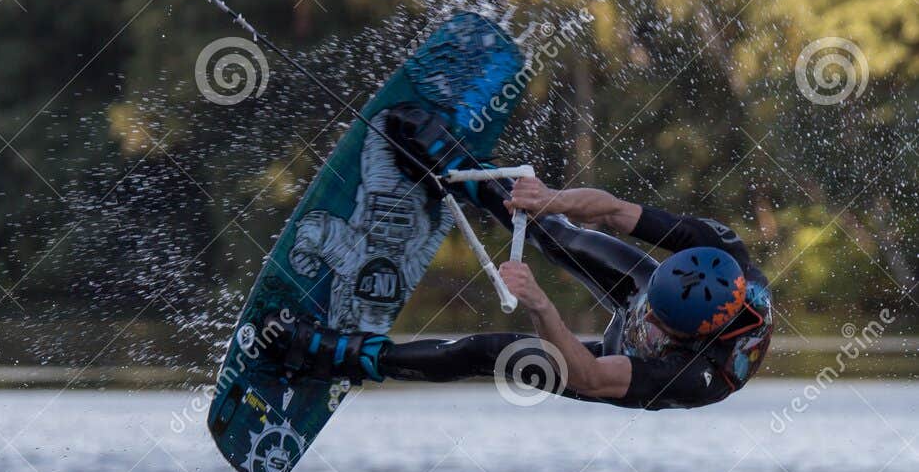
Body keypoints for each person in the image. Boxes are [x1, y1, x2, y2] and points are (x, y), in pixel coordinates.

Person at [265, 174, 773, 410]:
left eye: (656, 323)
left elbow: (590, 376)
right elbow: (616, 211)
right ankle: (461, 172)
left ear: (689, 335)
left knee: (488, 351)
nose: (644, 318)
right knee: (557, 234)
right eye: (651, 310)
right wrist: (551, 199)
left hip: (611, 365)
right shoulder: (721, 250)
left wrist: (540, 304)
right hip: (657, 293)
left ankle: (340, 357)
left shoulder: (696, 375)